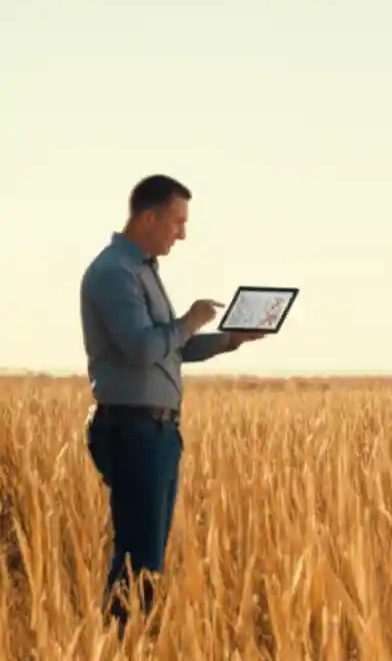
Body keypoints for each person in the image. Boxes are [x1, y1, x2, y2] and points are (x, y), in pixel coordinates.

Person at [79, 174, 264, 630]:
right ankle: (122, 641)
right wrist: (191, 320)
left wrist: (228, 340)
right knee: (139, 557)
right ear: (149, 217)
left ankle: (131, 639)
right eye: (177, 222)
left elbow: (169, 349)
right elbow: (143, 348)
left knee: (147, 553)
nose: (182, 234)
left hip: (154, 431)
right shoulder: (114, 273)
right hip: (133, 430)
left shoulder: (141, 270)